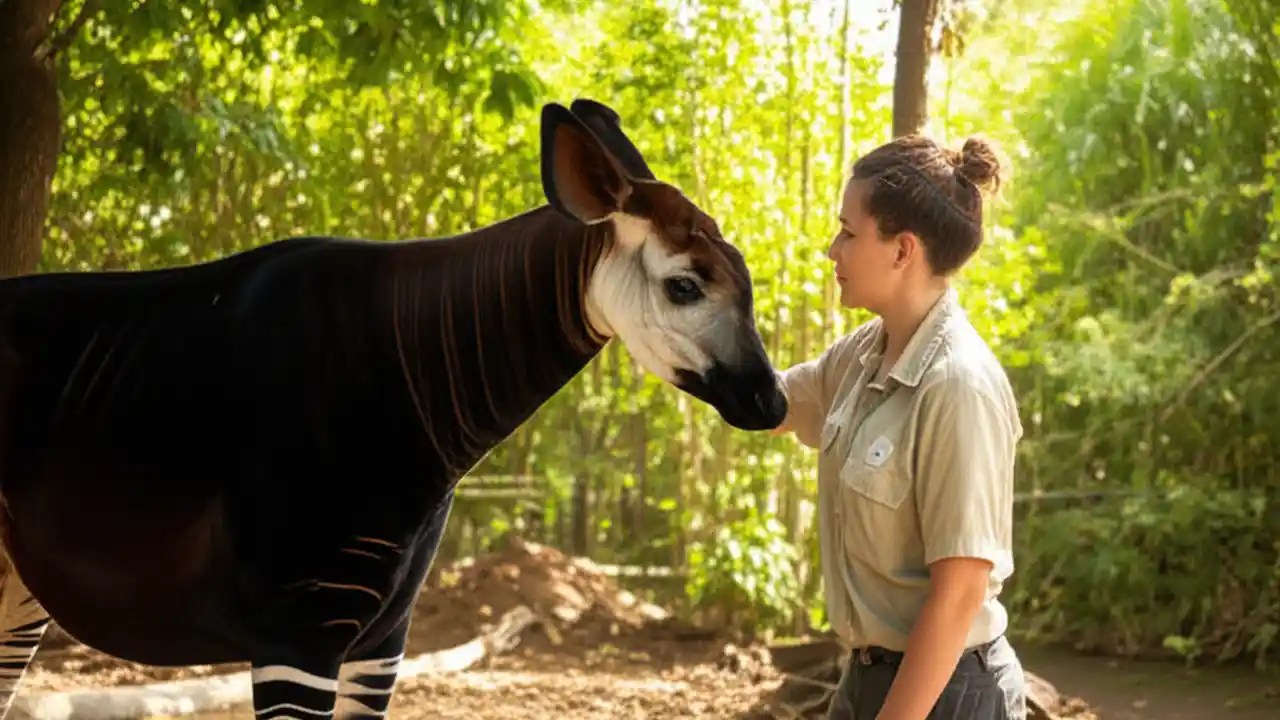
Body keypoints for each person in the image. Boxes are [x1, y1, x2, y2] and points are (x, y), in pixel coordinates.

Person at [771, 133, 1028, 720]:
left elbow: (960, 591)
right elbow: (776, 406)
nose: (832, 249)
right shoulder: (864, 353)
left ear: (901, 250)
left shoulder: (959, 387)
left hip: (948, 691)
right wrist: (674, 329)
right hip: (866, 679)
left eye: (848, 232)